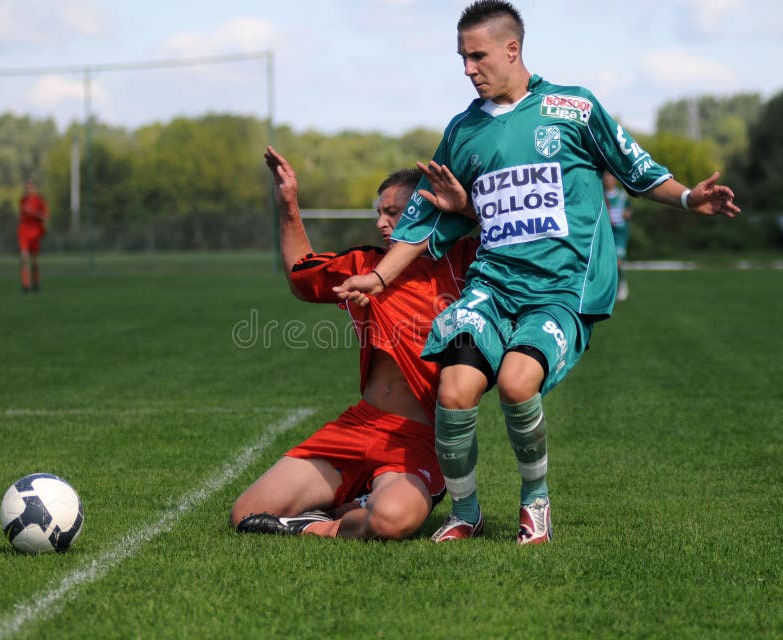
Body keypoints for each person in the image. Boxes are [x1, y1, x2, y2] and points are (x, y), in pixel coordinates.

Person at [334, 0, 740, 544]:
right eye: (462, 58)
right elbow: (421, 218)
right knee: (453, 389)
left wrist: (690, 198)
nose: (468, 69)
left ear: (512, 48)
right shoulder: (463, 131)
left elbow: (635, 168)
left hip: (559, 290)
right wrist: (379, 279)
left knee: (518, 382)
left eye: (477, 56)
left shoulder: (573, 108)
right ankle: (467, 512)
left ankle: (535, 503)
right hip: (493, 288)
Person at [229, 146, 478, 540]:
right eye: (379, 213)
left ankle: (329, 523)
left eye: (393, 212)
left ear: (424, 210)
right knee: (245, 512)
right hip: (360, 424)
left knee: (391, 521)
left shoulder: (466, 264)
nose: (381, 223)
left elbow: (513, 237)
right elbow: (300, 275)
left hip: (418, 442)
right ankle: (353, 506)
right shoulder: (365, 266)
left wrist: (465, 209)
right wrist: (290, 205)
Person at [603, 171, 632, 301]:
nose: (609, 179)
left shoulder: (622, 196)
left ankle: (622, 284)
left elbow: (628, 211)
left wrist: (627, 214)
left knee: (617, 262)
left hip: (620, 233)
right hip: (606, 232)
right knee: (606, 263)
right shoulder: (600, 194)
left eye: (611, 177)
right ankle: (610, 288)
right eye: (606, 177)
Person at [17, 179, 50, 293]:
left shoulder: (39, 201)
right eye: (26, 187)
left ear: (34, 189)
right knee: (24, 258)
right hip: (23, 233)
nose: (27, 189)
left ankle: (36, 283)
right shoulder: (22, 200)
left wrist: (34, 212)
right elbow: (22, 215)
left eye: (30, 187)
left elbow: (45, 217)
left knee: (34, 261)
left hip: (35, 234)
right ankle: (25, 286)